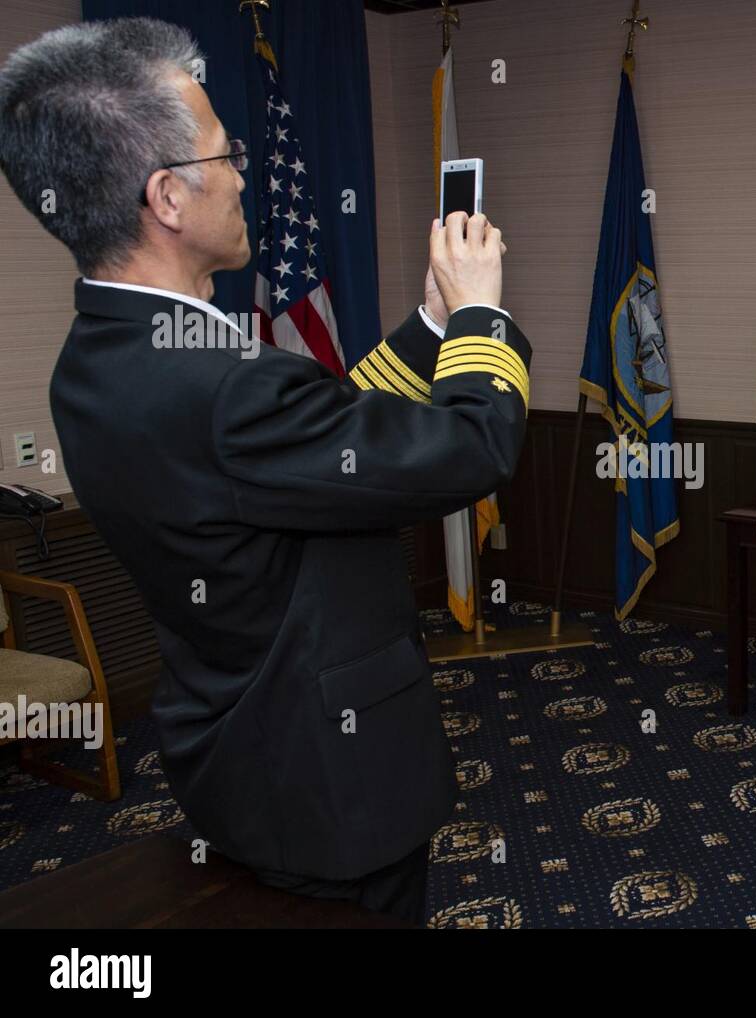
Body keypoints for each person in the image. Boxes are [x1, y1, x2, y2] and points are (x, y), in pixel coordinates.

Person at [0, 18, 529, 924]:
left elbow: (319, 443)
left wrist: (431, 322)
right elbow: (472, 450)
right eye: (225, 153)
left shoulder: (96, 360)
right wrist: (483, 317)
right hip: (332, 778)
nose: (244, 175)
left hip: (238, 750)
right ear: (166, 196)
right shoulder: (217, 385)